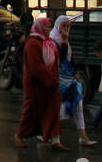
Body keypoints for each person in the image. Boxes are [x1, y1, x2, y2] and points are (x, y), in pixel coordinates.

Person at [13, 16, 68, 150]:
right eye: (48, 27)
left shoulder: (47, 42)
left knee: (53, 110)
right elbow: (36, 67)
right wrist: (50, 79)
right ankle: (19, 135)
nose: (49, 30)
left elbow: (56, 60)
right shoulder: (32, 44)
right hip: (36, 84)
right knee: (32, 110)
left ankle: (55, 140)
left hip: (50, 83)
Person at [51, 15, 97, 146]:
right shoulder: (53, 40)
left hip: (68, 78)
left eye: (67, 26)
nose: (65, 29)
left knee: (78, 104)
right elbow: (62, 58)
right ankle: (51, 135)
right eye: (63, 26)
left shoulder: (66, 41)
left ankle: (83, 136)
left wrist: (75, 71)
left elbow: (70, 59)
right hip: (58, 79)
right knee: (57, 107)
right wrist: (64, 42)